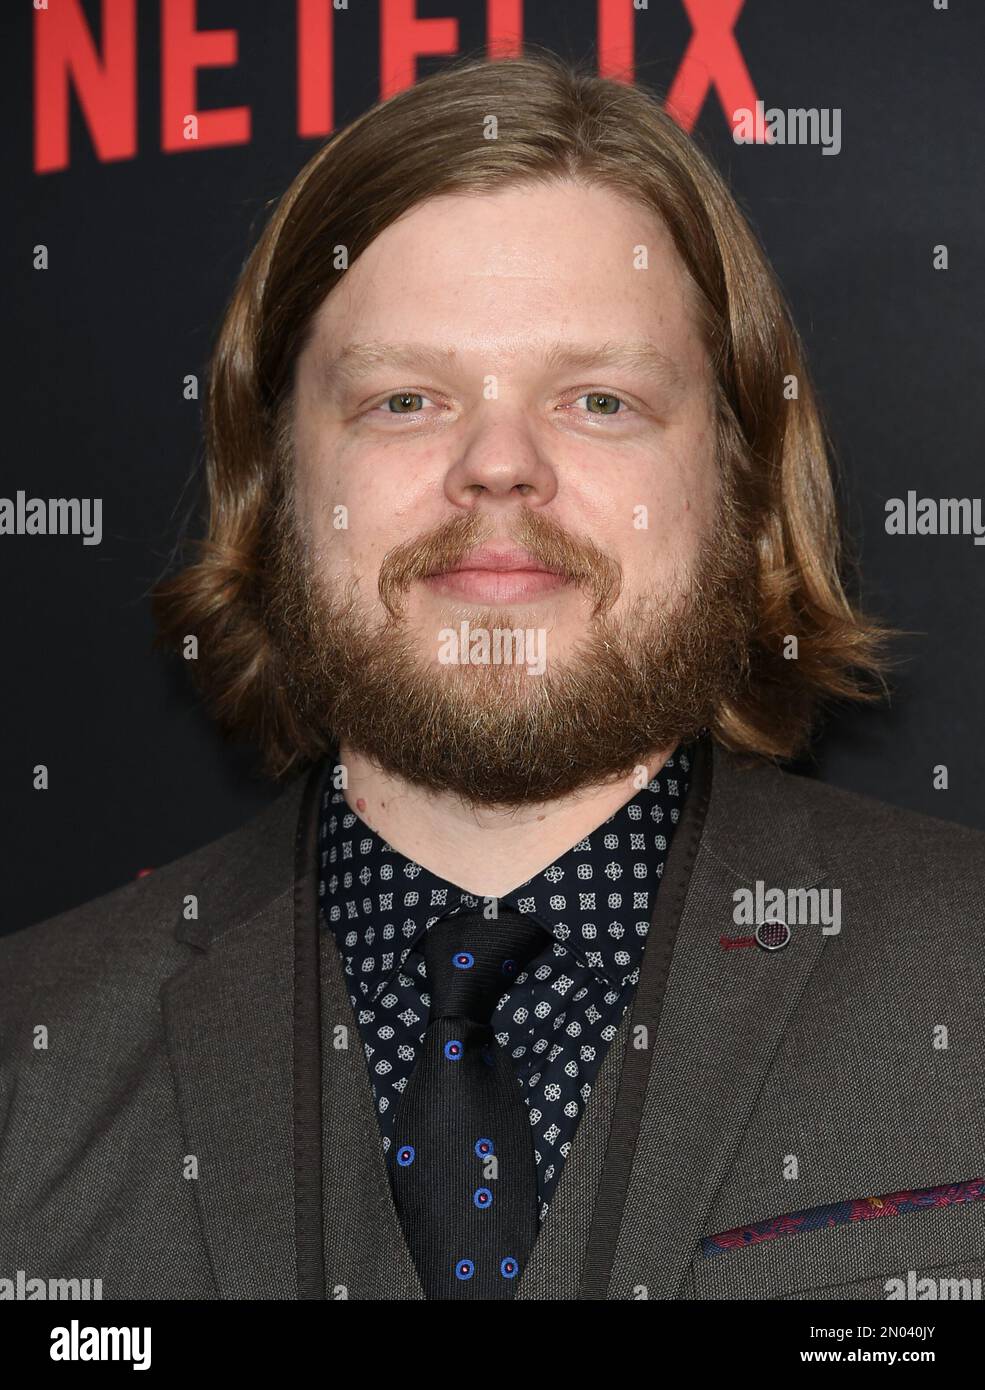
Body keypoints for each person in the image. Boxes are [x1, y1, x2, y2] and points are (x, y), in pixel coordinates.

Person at [3, 49, 984, 1303]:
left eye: (600, 400)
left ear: (741, 488)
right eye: (405, 399)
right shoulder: (28, 1059)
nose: (499, 463)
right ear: (274, 485)